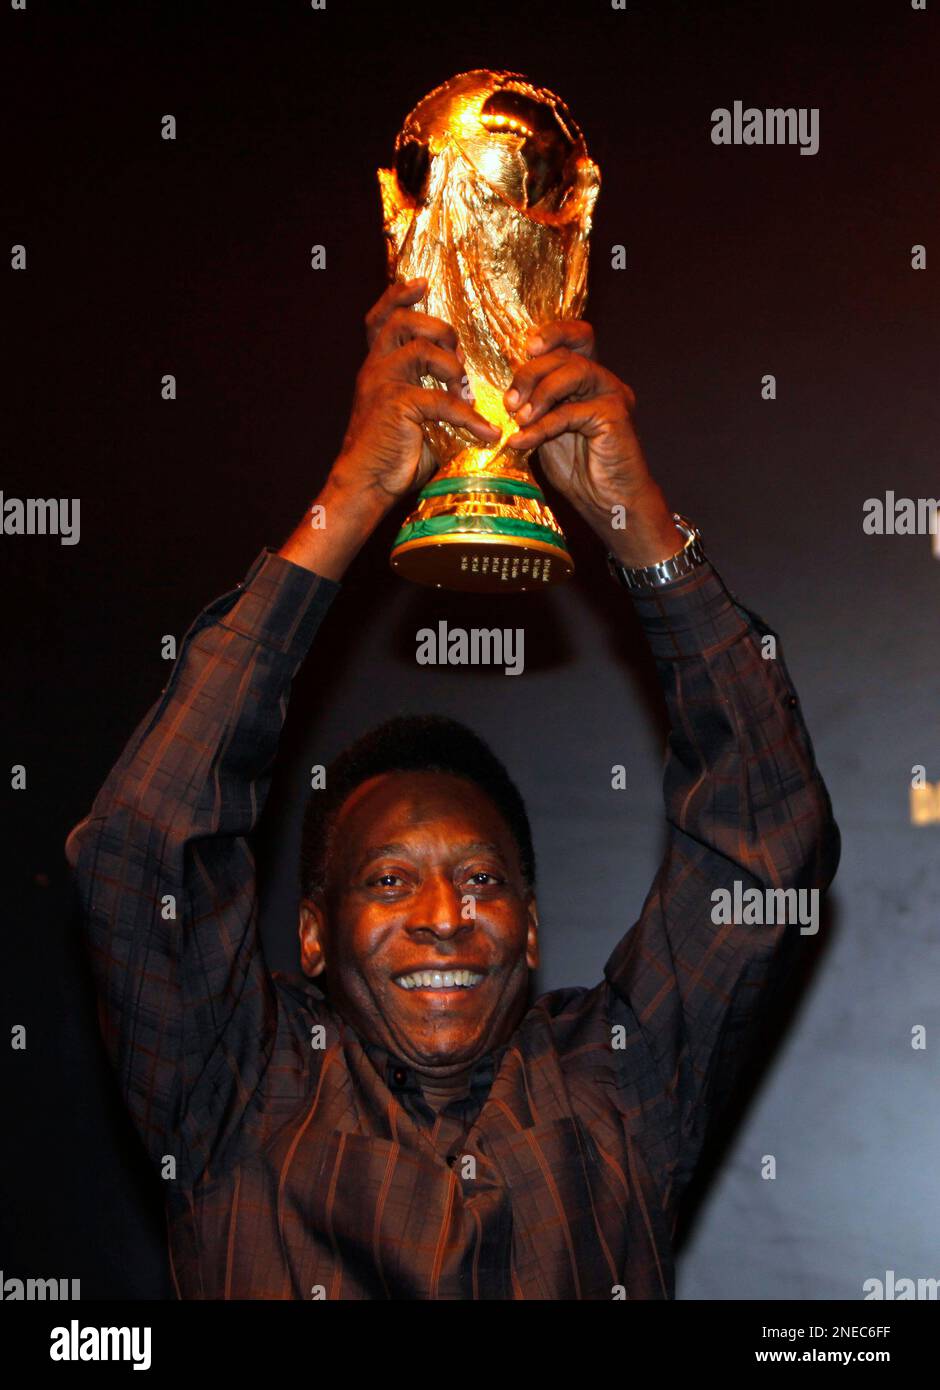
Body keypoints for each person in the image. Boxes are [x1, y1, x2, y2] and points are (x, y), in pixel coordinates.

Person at [66, 276, 840, 1299]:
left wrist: (637, 523)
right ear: (309, 934)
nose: (444, 918)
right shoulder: (233, 1089)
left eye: (481, 882)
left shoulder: (617, 1081)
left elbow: (767, 840)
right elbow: (142, 853)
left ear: (528, 927)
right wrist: (350, 495)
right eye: (388, 882)